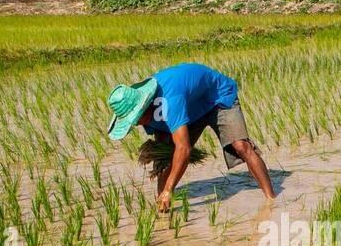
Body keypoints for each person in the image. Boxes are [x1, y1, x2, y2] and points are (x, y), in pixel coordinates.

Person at [106, 62, 275, 212]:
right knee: (166, 157)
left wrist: (168, 190)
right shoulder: (148, 117)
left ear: (144, 107)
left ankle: (271, 200)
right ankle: (163, 207)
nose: (136, 124)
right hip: (192, 108)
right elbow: (165, 155)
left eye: (135, 119)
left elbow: (184, 149)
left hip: (217, 98)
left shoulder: (170, 100)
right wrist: (162, 195)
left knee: (241, 146)